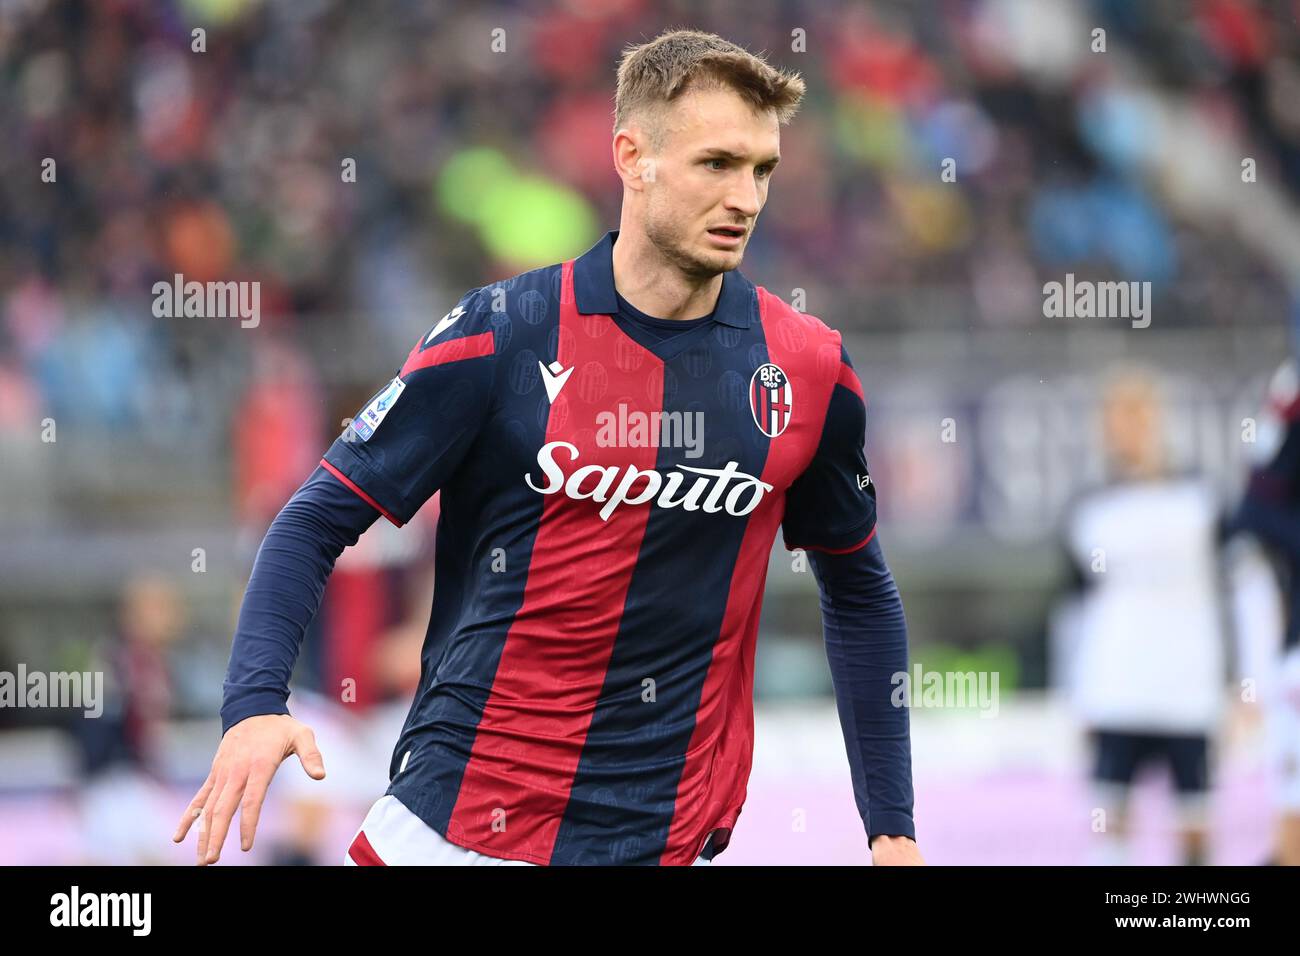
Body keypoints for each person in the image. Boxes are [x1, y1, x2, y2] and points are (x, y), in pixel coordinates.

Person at [175, 28, 921, 867]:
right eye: (717, 164)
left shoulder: (808, 369)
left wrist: (890, 831)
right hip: (459, 833)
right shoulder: (504, 333)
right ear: (632, 157)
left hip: (666, 844)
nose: (745, 197)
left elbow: (859, 592)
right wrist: (252, 704)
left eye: (762, 170)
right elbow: (313, 519)